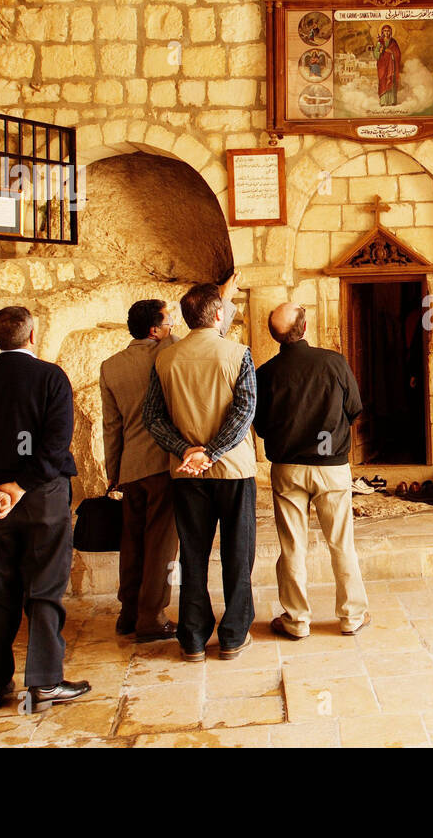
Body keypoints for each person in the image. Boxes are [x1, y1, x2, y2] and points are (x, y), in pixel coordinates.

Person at [0, 306, 90, 714]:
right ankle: (44, 683)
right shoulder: (50, 377)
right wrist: (20, 485)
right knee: (44, 588)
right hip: (42, 498)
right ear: (32, 336)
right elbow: (55, 444)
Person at [143, 283, 257, 662]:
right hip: (234, 471)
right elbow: (244, 412)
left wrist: (186, 452)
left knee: (192, 555)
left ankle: (192, 637)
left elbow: (153, 418)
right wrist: (213, 452)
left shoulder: (165, 358)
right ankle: (233, 635)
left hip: (186, 472)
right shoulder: (239, 353)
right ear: (218, 314)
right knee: (238, 553)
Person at [255, 303, 370, 639]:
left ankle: (296, 620)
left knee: (292, 546)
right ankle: (351, 617)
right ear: (304, 329)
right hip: (330, 467)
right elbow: (354, 408)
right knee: (341, 544)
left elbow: (260, 427)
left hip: (288, 468)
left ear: (276, 336)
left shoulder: (265, 373)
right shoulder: (333, 362)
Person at [100, 299, 180, 643]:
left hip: (130, 466)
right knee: (161, 543)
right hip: (162, 463)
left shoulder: (111, 366)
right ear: (154, 330)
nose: (172, 327)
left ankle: (127, 612)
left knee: (131, 542)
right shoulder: (166, 354)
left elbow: (110, 425)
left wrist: (113, 470)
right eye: (168, 322)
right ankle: (152, 616)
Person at [374, 24, 402, 106]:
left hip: (391, 65)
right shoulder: (380, 42)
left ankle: (392, 101)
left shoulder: (393, 42)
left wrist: (391, 53)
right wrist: (380, 51)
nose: (386, 32)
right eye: (385, 31)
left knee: (391, 81)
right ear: (382, 32)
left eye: (388, 30)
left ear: (391, 32)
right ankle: (383, 102)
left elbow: (398, 53)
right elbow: (376, 54)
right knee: (383, 80)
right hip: (382, 65)